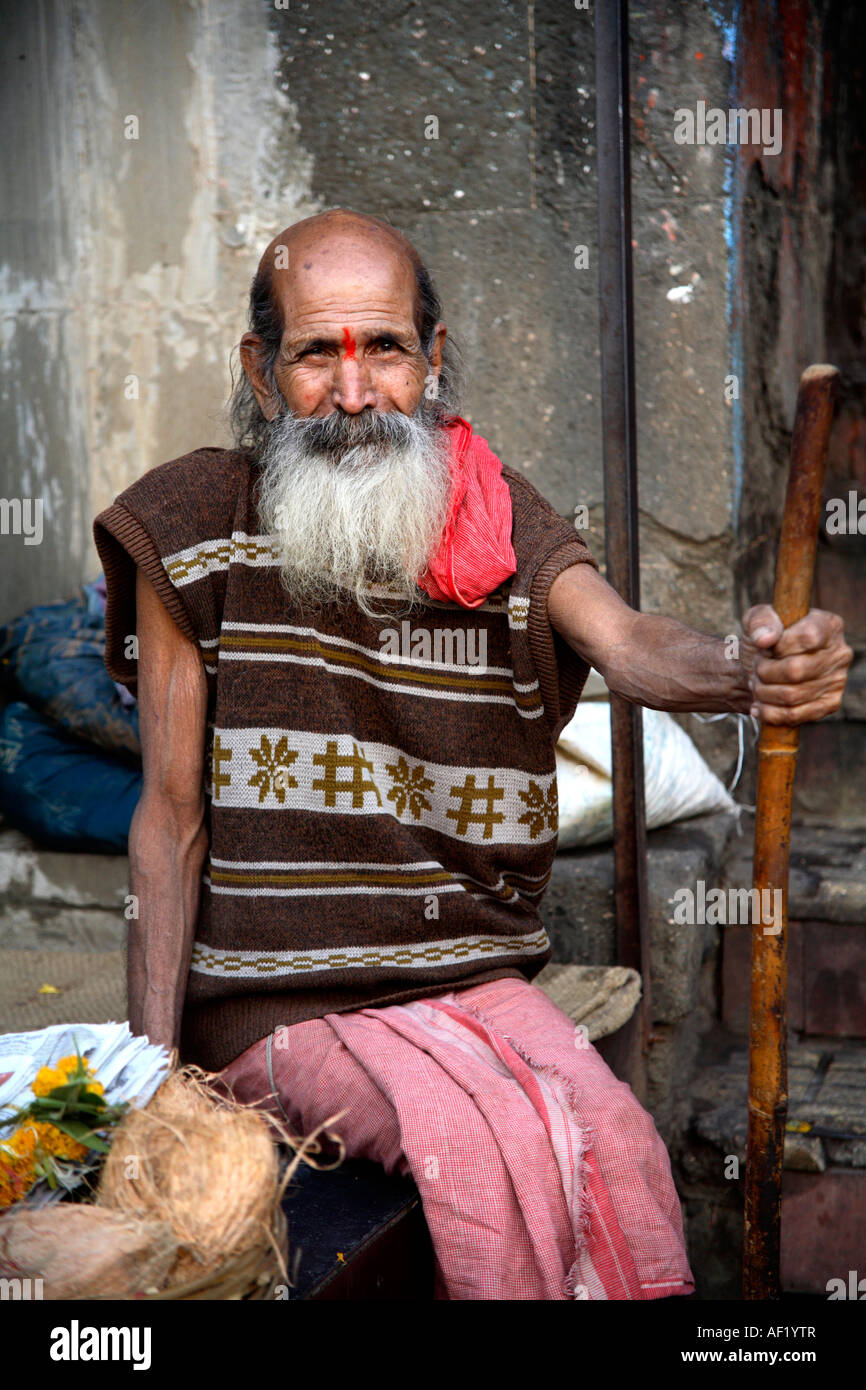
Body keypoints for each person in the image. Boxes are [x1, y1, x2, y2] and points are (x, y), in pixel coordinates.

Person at [93, 208, 852, 1300]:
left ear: (432, 358)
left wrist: (750, 666)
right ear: (261, 373)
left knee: (616, 1145)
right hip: (275, 998)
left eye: (385, 350)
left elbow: (631, 643)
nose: (353, 398)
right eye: (316, 354)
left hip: (467, 974)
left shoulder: (490, 512)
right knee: (469, 1156)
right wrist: (152, 1080)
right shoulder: (191, 522)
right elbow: (169, 817)